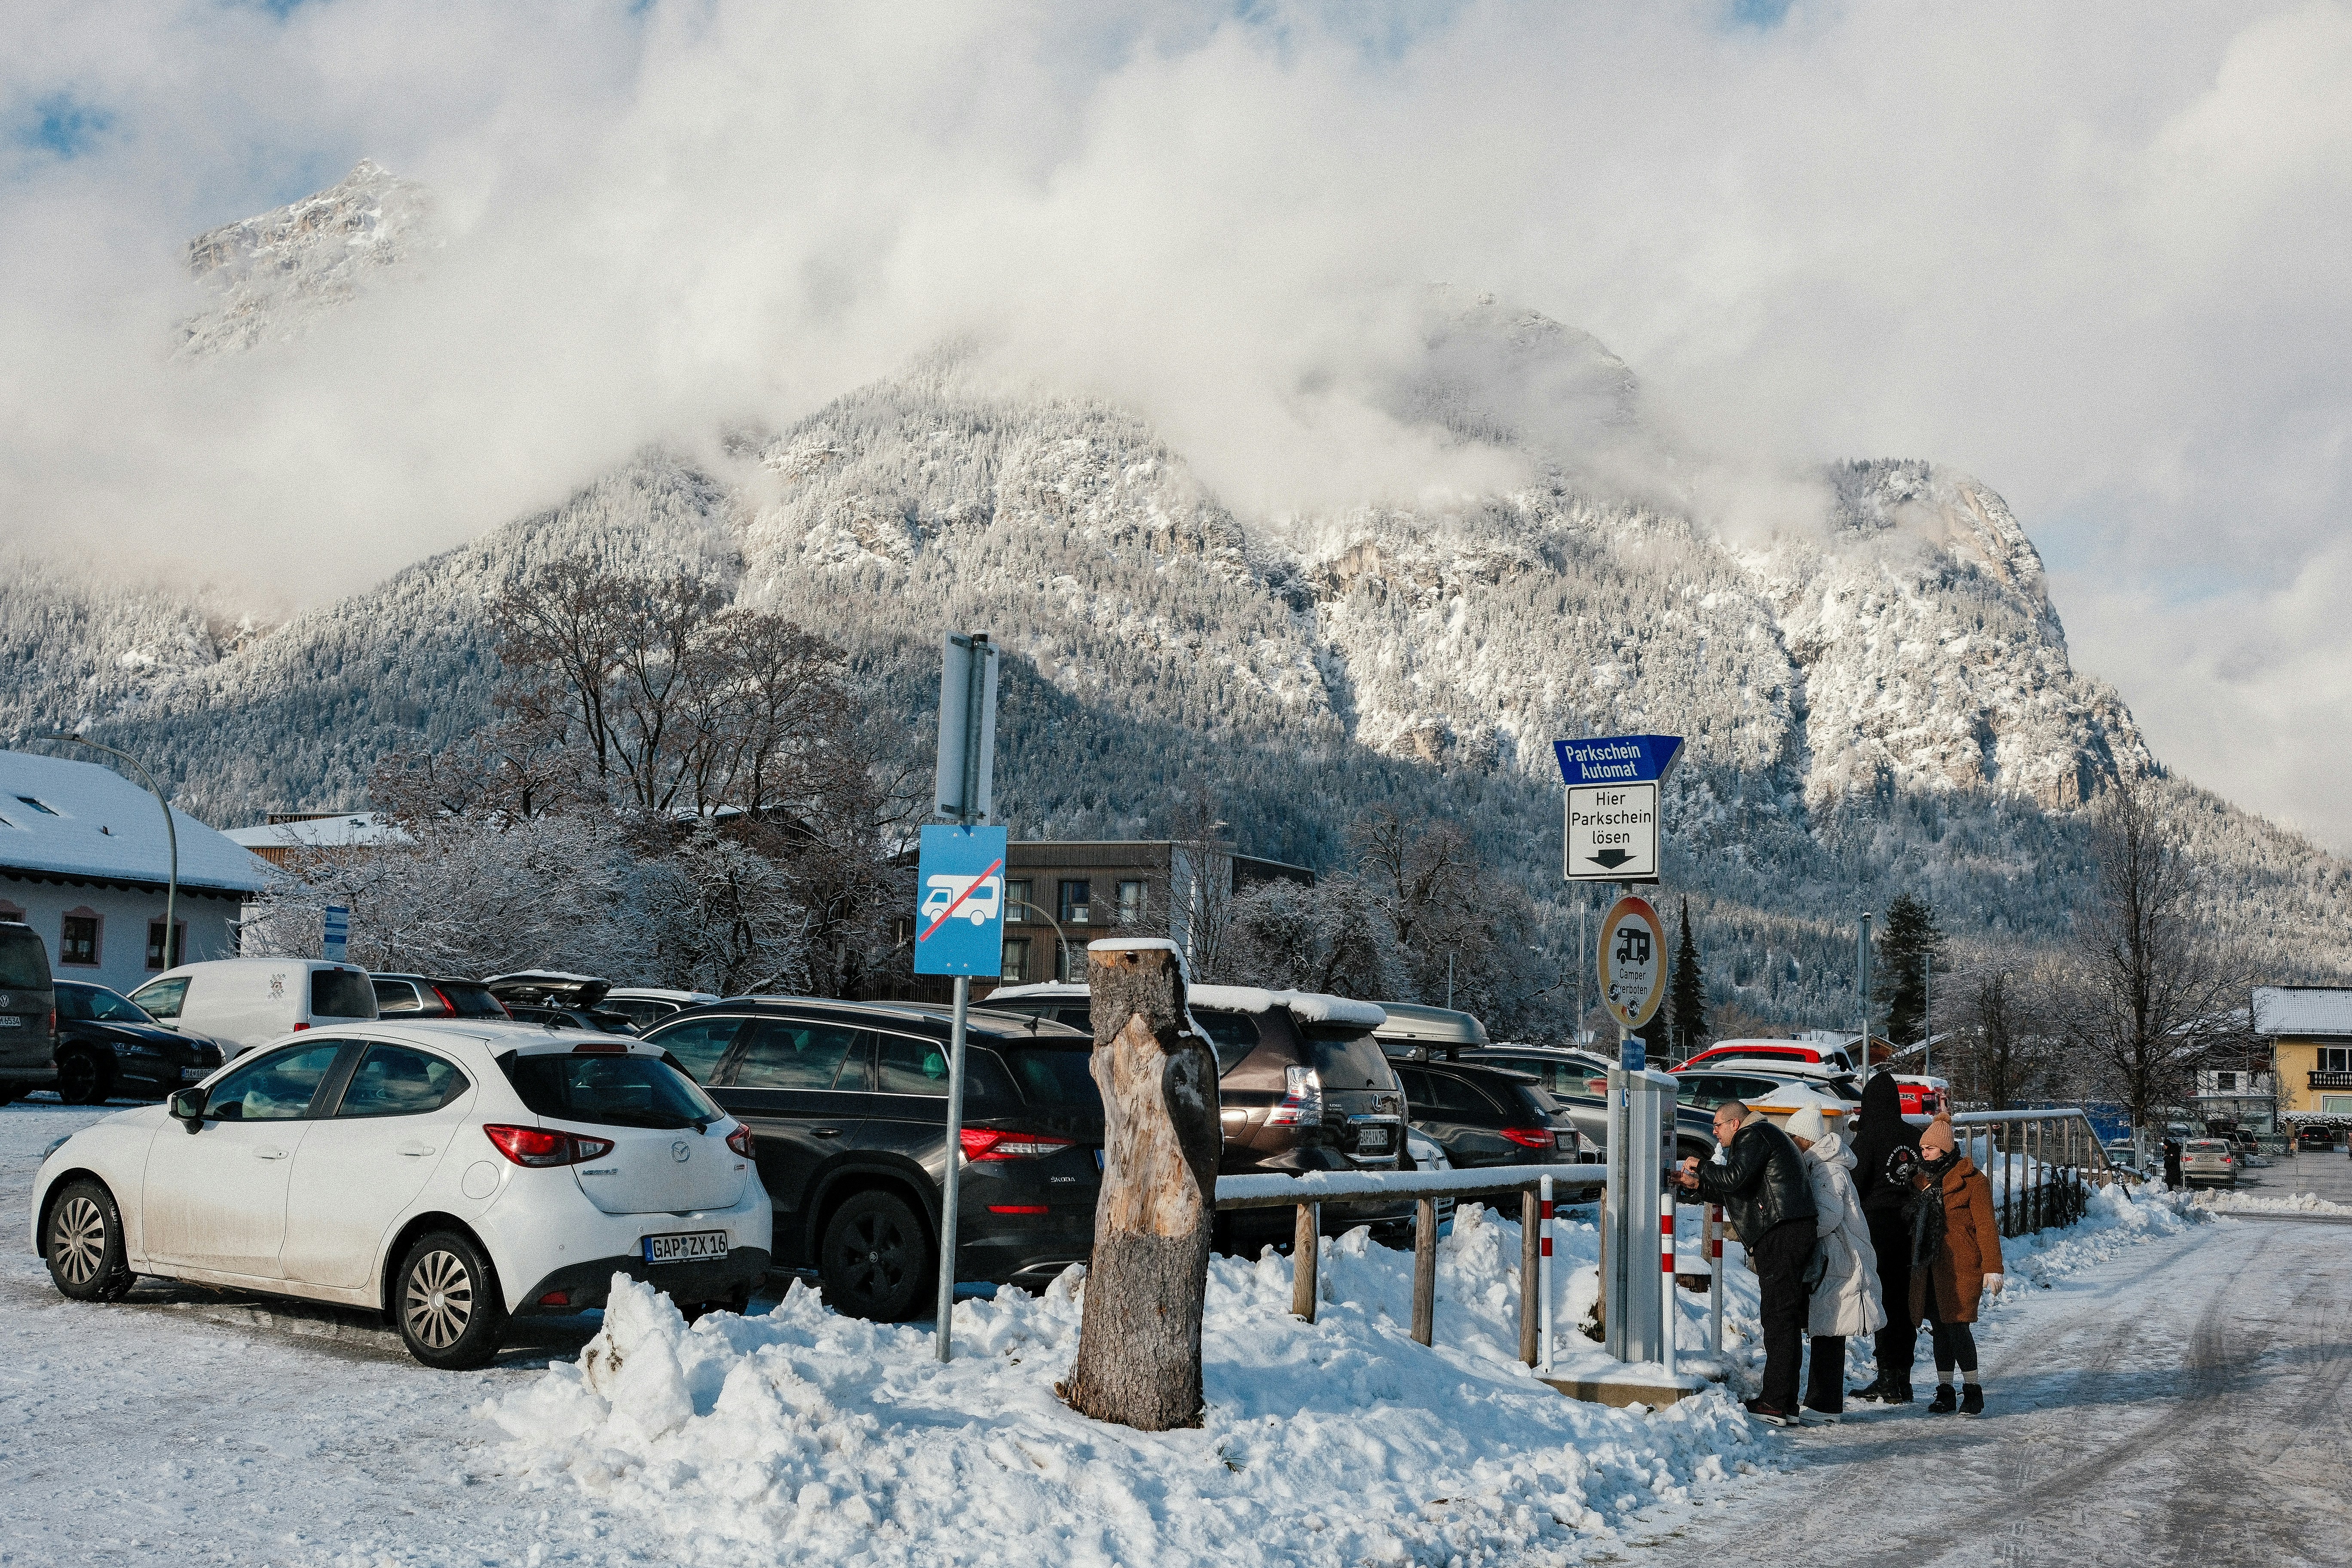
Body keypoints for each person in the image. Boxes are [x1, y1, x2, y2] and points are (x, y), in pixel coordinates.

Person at [1679, 1100, 1818, 1427]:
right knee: (1785, 1318)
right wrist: (1699, 1187)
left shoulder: (1754, 1136)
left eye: (1717, 1125)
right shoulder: (1762, 1136)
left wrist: (1700, 1167)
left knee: (1779, 1319)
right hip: (1790, 1230)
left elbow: (1735, 1178)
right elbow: (1741, 1188)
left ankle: (1774, 1403)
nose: (1714, 1132)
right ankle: (1785, 1403)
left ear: (1735, 1124)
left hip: (1781, 1233)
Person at [1785, 1103, 1885, 1422]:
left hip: (1839, 1256)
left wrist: (1797, 1233)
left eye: (1791, 1136)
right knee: (1828, 1328)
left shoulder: (1827, 1170)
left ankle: (1825, 1406)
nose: (1789, 1142)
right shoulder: (1824, 1165)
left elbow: (1828, 1216)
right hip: (1838, 1254)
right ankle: (1823, 1403)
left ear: (1804, 1139)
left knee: (1829, 1329)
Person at [1907, 1115, 2004, 1416]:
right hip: (1929, 1268)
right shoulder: (1919, 1180)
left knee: (1958, 1328)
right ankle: (1945, 1391)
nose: (1925, 1153)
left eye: (1932, 1148)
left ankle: (1973, 1391)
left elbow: (1986, 1226)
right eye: (1923, 1148)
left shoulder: (1973, 1181)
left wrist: (1993, 1267)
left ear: (1947, 1150)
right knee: (1939, 1327)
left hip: (1962, 1267)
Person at [1847, 1072, 1922, 1404]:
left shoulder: (1868, 1138)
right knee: (1904, 1303)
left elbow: (1855, 1184)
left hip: (1878, 1229)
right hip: (1913, 1227)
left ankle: (1887, 1378)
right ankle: (1903, 1380)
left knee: (1884, 1302)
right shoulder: (1914, 1136)